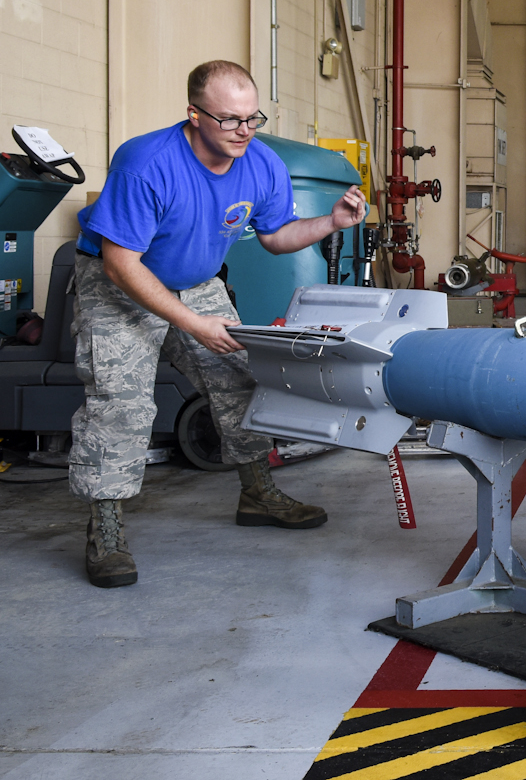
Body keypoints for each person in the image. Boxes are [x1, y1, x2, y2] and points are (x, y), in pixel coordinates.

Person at [71, 60, 367, 588]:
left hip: (197, 280)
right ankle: (106, 530)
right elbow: (120, 263)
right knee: (122, 400)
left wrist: (330, 222)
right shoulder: (147, 162)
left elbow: (276, 237)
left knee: (243, 378)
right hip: (120, 283)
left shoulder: (262, 162)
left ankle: (257, 494)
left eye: (252, 118)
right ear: (194, 115)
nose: (244, 132)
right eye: (229, 120)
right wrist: (194, 325)